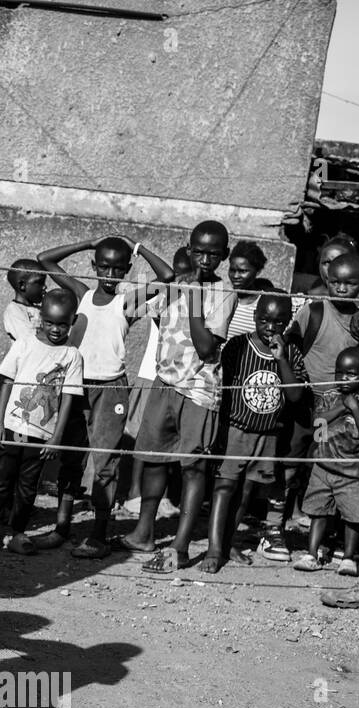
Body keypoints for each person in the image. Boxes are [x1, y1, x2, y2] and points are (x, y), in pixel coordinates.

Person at [34, 235, 172, 558]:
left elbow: (166, 277)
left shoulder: (126, 303)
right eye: (104, 266)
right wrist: (85, 244)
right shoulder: (80, 295)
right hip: (77, 386)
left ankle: (98, 536)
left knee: (105, 463)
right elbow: (44, 259)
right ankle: (62, 527)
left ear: (127, 270)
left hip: (110, 391)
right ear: (94, 266)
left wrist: (137, 247)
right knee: (71, 458)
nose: (110, 274)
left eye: (118, 269)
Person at [119, 221, 236, 573]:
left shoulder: (223, 292)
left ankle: (180, 547)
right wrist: (152, 264)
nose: (204, 258)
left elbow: (204, 346)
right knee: (154, 460)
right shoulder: (175, 286)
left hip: (199, 392)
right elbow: (136, 309)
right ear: (188, 247)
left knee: (193, 468)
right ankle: (144, 532)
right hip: (165, 384)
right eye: (198, 251)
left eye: (213, 254)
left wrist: (195, 299)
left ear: (224, 256)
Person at [268, 252, 359, 560]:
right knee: (297, 463)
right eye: (335, 282)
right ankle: (275, 528)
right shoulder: (313, 312)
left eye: (349, 284)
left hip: (352, 408)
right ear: (326, 280)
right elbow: (288, 343)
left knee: (344, 468)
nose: (341, 289)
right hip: (314, 406)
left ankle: (337, 538)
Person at [203, 293, 306, 573]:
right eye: (264, 320)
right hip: (237, 428)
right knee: (224, 487)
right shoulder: (238, 346)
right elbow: (221, 385)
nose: (270, 327)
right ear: (254, 317)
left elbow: (295, 396)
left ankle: (227, 543)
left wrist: (281, 358)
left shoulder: (291, 351)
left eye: (278, 322)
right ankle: (213, 548)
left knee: (246, 491)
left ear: (287, 322)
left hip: (268, 434)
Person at [0, 288, 84, 555]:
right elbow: (5, 382)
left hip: (41, 433)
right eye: (50, 322)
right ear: (41, 318)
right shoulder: (25, 343)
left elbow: (68, 399)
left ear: (72, 322)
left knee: (28, 486)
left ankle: (17, 531)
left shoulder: (72, 356)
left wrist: (56, 437)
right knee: (2, 479)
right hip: (13, 426)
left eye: (63, 324)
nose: (56, 329)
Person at [121, 245, 194, 517]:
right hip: (153, 375)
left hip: (179, 380)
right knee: (145, 438)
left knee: (167, 440)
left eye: (189, 274)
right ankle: (134, 494)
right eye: (178, 274)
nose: (184, 279)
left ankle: (160, 497)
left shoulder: (199, 296)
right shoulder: (164, 295)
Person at [297, 346, 359, 575]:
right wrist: (341, 408)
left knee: (352, 517)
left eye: (350, 373)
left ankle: (348, 558)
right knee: (318, 511)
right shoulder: (330, 397)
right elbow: (317, 427)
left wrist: (354, 410)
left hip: (352, 471)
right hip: (323, 466)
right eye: (340, 372)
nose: (344, 378)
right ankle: (311, 553)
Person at [224, 240, 271, 338]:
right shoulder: (222, 297)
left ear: (257, 271)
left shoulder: (264, 304)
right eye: (232, 270)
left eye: (243, 271)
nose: (236, 276)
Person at [2, 258, 46, 342]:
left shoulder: (40, 309)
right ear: (22, 285)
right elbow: (29, 339)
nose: (44, 287)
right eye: (39, 283)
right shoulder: (14, 311)